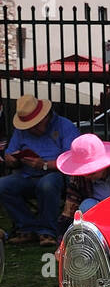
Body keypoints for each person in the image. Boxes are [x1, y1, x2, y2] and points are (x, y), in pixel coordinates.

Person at [0, 95, 79, 246]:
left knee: (47, 184)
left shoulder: (64, 126)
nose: (31, 129)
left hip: (55, 175)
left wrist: (44, 165)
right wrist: (12, 159)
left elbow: (72, 160)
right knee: (3, 185)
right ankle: (27, 228)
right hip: (26, 175)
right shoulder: (21, 131)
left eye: (34, 125)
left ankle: (47, 231)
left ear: (45, 117)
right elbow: (10, 153)